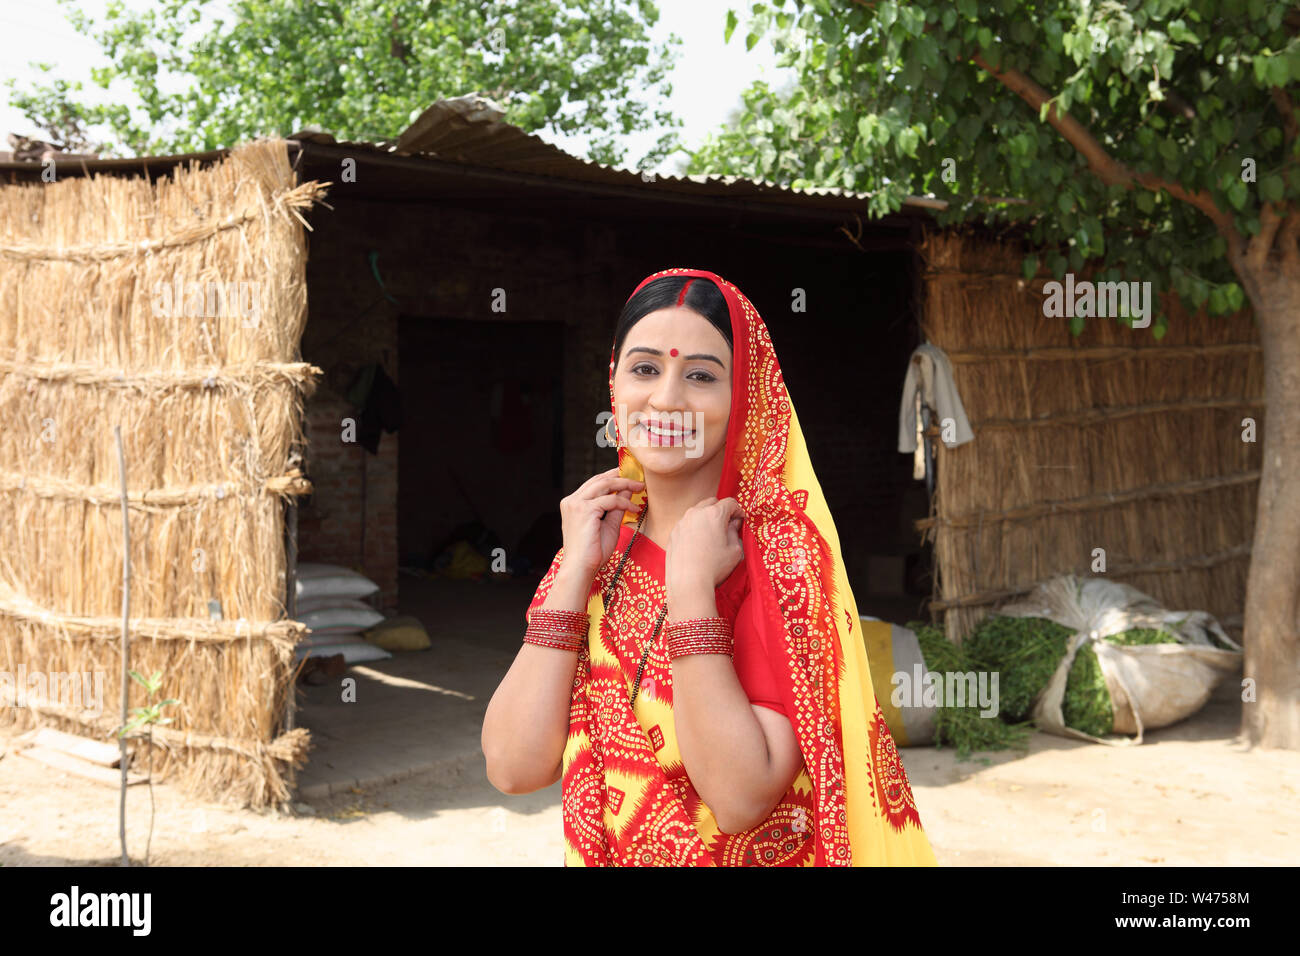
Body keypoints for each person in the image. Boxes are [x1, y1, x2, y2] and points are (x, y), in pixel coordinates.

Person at [482, 267, 937, 866]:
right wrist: (572, 575)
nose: (667, 399)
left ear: (744, 395)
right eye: (645, 369)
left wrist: (693, 591)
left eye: (700, 375)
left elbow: (740, 799)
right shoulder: (597, 547)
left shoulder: (776, 565)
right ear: (614, 381)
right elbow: (513, 767)